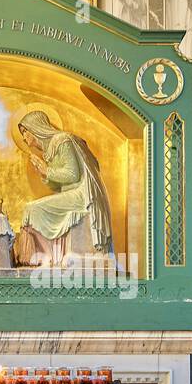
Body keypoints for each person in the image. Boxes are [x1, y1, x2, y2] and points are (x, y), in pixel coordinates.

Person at [13, 110, 114, 267]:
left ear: (36, 128)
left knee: (32, 209)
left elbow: (72, 174)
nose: (24, 138)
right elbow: (58, 185)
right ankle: (48, 256)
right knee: (31, 209)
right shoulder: (49, 149)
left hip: (82, 195)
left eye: (25, 132)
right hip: (70, 193)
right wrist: (44, 173)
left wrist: (47, 170)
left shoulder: (62, 140)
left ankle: (46, 257)